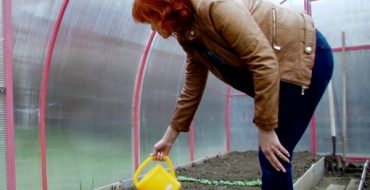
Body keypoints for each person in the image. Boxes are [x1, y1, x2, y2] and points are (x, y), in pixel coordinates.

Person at [132, 0, 333, 189]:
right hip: (277, 69)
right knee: (273, 156)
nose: (152, 28)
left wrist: (266, 127)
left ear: (164, 9)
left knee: (273, 156)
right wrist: (169, 137)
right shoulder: (187, 32)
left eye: (151, 19)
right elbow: (193, 85)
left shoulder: (215, 6)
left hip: (304, 57)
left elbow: (262, 60)